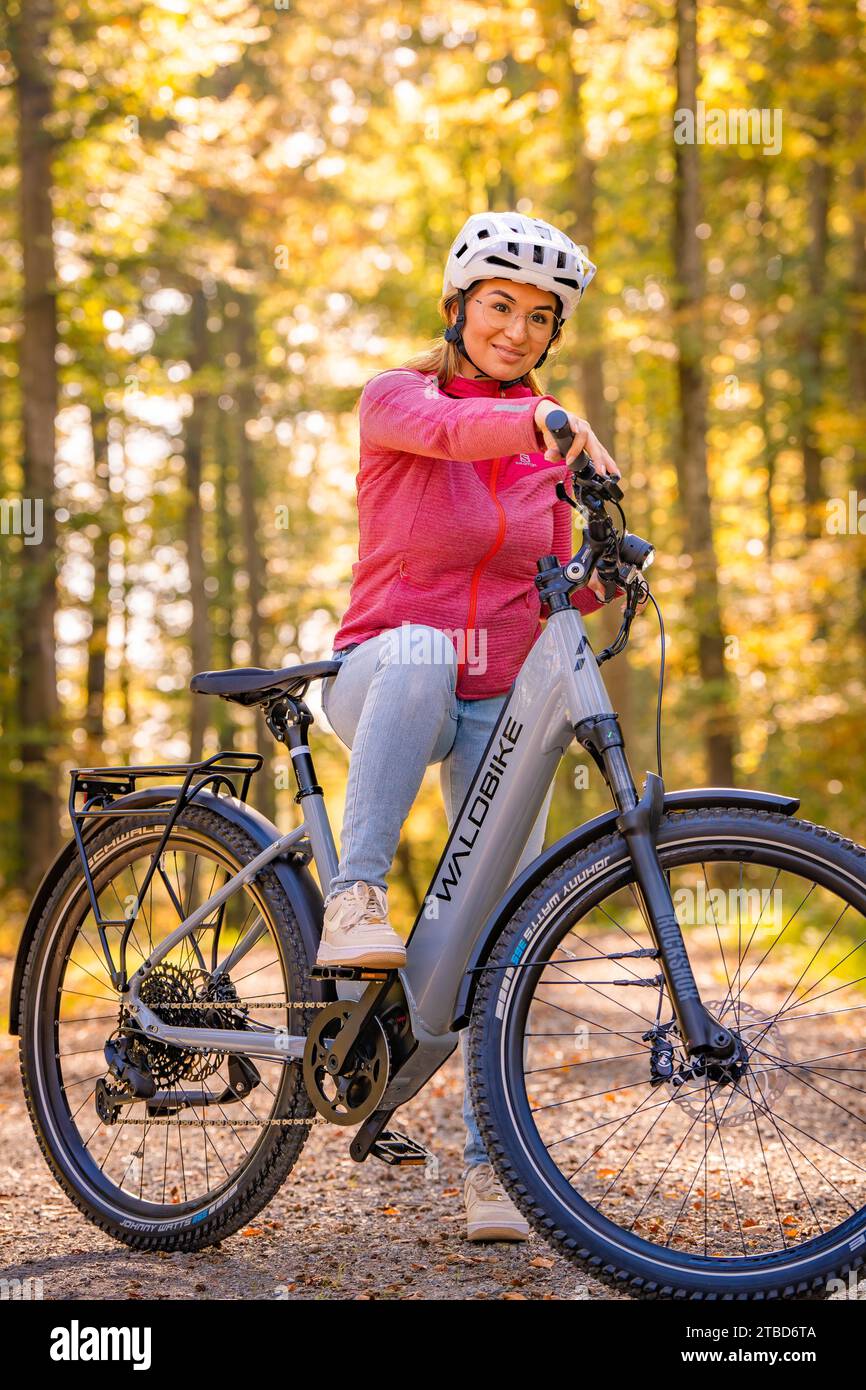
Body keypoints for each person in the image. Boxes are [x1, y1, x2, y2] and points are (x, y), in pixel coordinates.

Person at [316, 211, 625, 1242]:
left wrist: (607, 573)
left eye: (539, 318)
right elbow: (454, 432)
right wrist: (549, 424)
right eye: (500, 306)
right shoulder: (397, 400)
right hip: (383, 673)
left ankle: (496, 1173)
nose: (517, 329)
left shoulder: (544, 448)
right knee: (414, 652)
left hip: (494, 686)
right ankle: (353, 894)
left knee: (504, 925)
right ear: (456, 308)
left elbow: (546, 594)